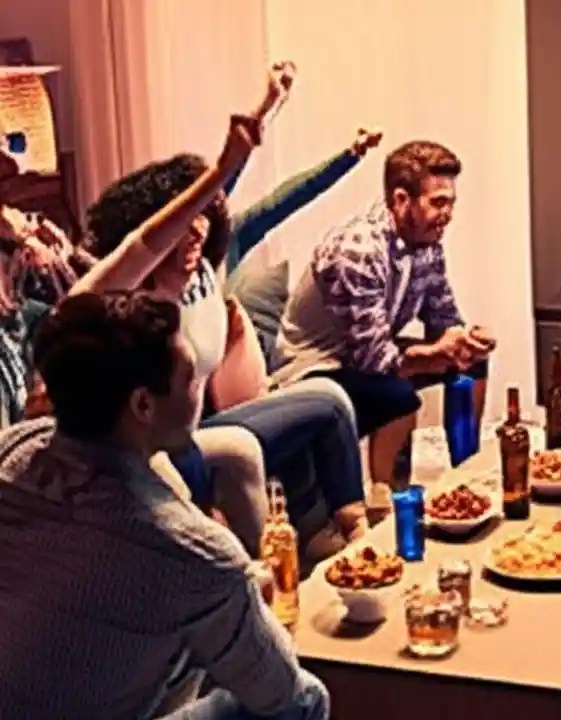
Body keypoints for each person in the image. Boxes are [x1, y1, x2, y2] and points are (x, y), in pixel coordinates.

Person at [74, 74, 369, 555]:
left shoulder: (211, 265)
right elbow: (142, 244)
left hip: (211, 423)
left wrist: (273, 108)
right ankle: (259, 583)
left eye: (201, 225)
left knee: (330, 398)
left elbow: (263, 198)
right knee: (238, 451)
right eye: (180, 229)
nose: (193, 236)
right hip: (166, 441)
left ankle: (354, 540)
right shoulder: (137, 299)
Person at [0, 291, 329, 720]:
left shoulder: (13, 450)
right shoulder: (190, 552)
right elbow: (282, 693)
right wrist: (244, 593)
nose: (200, 390)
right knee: (307, 700)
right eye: (191, 378)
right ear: (142, 405)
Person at [272, 140, 496, 497]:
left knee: (471, 363)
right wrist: (435, 354)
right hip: (314, 368)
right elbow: (374, 360)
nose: (448, 214)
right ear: (401, 200)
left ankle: (463, 478)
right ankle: (385, 497)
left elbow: (444, 317)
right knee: (396, 391)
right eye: (438, 202)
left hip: (365, 354)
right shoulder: (358, 249)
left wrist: (466, 340)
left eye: (451, 203)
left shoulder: (427, 244)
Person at [225, 128, 384, 369]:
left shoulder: (230, 236)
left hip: (240, 363)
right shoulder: (160, 260)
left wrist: (349, 156)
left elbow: (288, 198)